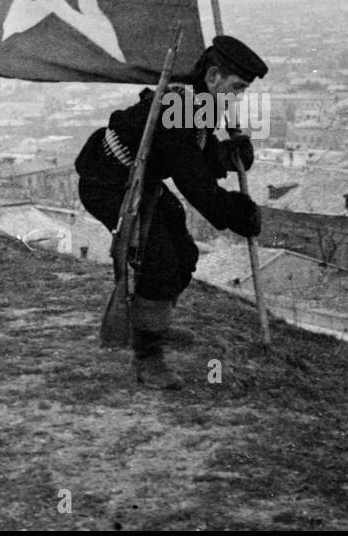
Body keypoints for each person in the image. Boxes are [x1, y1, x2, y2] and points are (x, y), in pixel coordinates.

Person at [75, 35, 267, 389]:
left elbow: (198, 151)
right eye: (236, 87)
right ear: (213, 77)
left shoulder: (200, 100)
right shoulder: (179, 105)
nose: (237, 96)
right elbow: (194, 183)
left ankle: (152, 322)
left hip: (142, 180)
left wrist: (227, 155)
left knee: (184, 253)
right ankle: (148, 356)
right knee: (159, 259)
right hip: (109, 182)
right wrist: (238, 214)